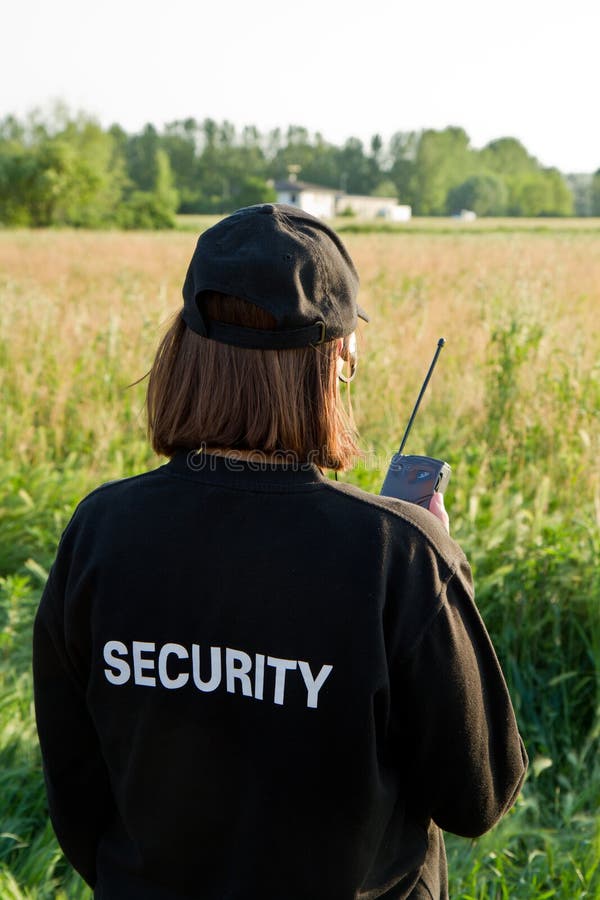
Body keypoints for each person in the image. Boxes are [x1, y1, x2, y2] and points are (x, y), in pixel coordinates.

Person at [33, 203, 527, 900]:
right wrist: (440, 564)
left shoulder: (100, 530)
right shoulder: (399, 556)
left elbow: (76, 794)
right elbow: (478, 796)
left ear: (186, 351)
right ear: (337, 360)